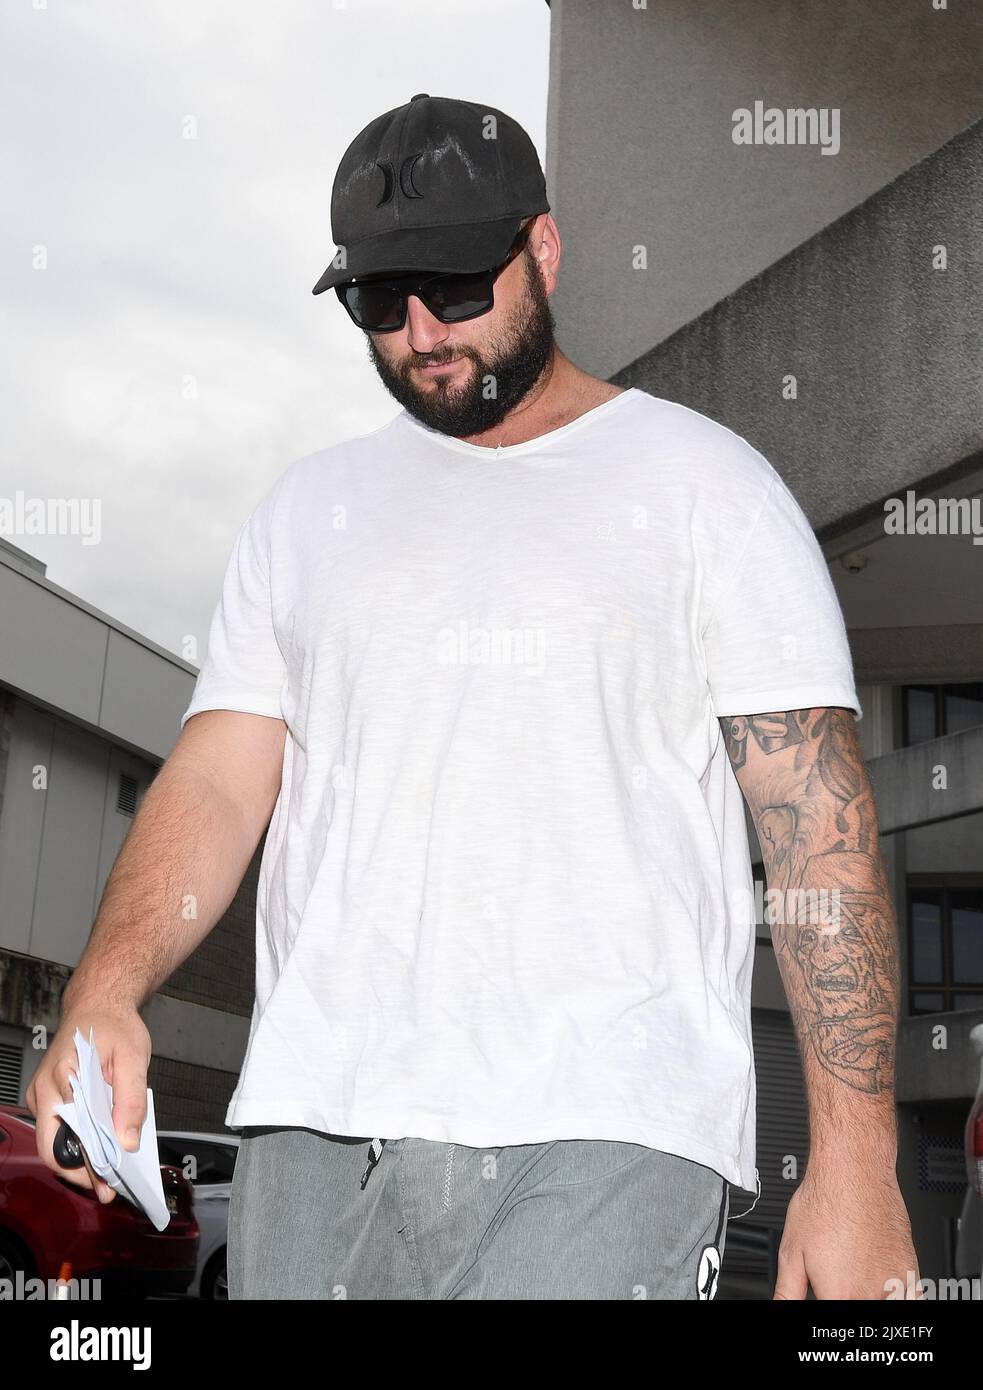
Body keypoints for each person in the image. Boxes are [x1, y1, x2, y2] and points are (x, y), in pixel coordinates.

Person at [27, 93, 919, 1301]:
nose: (418, 333)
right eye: (376, 300)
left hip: (609, 1126)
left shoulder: (709, 490)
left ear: (541, 249)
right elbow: (219, 784)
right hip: (316, 1127)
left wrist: (855, 1164)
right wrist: (103, 989)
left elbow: (812, 825)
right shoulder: (306, 514)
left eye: (453, 287)